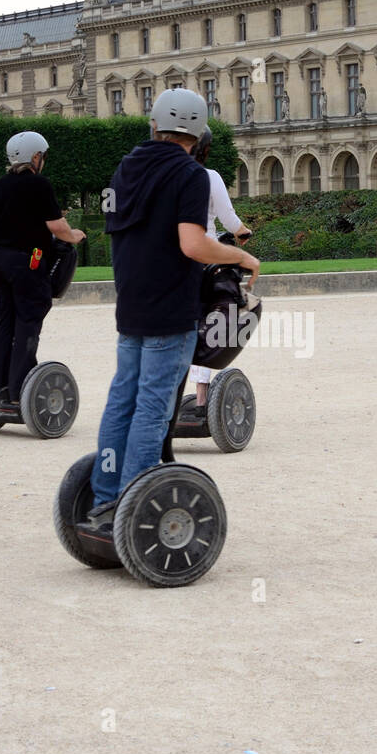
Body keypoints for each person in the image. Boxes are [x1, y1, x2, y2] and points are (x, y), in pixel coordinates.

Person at [84, 88, 259, 533]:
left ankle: (105, 498)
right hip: (170, 306)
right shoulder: (190, 174)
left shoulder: (126, 168)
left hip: (131, 303)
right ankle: (133, 501)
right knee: (153, 409)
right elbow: (192, 244)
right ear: (199, 132)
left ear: (155, 124)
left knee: (121, 401)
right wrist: (241, 258)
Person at [0, 131, 86, 404]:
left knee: (4, 322)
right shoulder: (39, 184)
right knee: (28, 321)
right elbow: (56, 226)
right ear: (36, 156)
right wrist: (74, 234)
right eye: (43, 156)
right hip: (25, 261)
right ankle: (19, 391)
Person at [184, 125, 253, 418]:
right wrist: (242, 232)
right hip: (205, 258)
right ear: (207, 149)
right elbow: (228, 218)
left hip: (172, 262)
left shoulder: (167, 175)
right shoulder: (209, 177)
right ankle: (201, 399)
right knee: (208, 325)